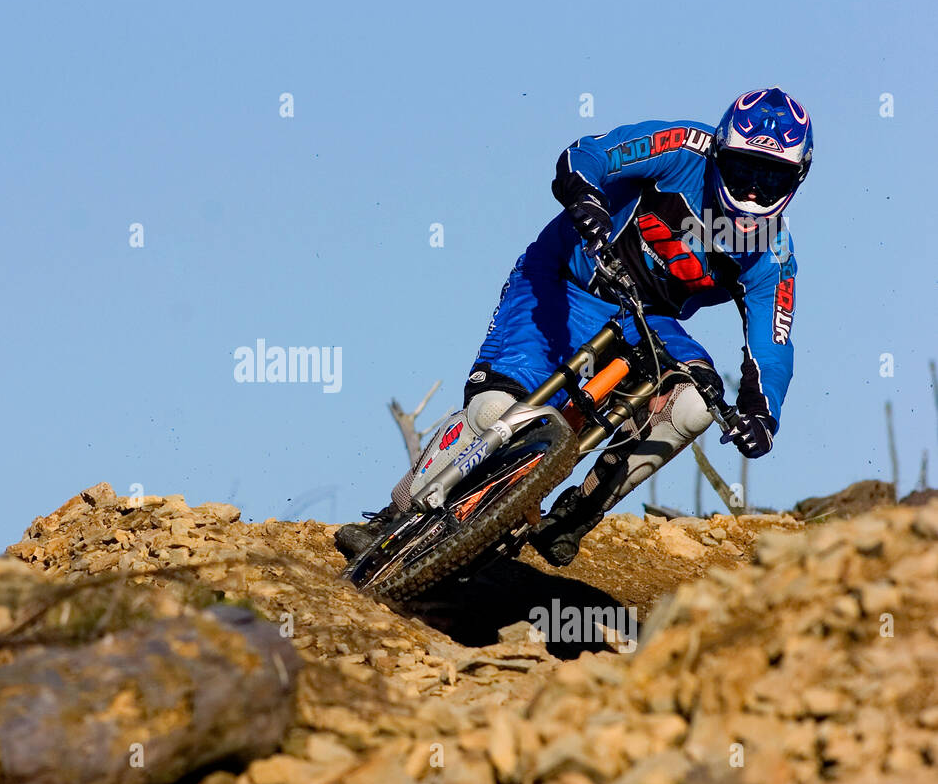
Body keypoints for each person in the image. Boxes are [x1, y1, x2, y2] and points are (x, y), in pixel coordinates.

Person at [337, 88, 812, 566]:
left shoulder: (774, 255)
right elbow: (586, 153)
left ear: (797, 177)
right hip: (564, 278)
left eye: (771, 177)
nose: (753, 189)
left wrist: (762, 414)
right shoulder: (682, 146)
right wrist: (586, 196)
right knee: (495, 410)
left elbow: (772, 345)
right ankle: (393, 520)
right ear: (718, 152)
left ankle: (576, 513)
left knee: (697, 403)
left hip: (646, 319)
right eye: (744, 169)